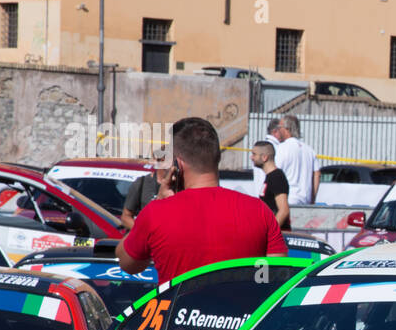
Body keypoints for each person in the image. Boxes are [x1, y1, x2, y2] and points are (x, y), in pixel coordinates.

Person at [117, 117, 288, 282]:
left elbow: (127, 263)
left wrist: (158, 201)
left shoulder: (155, 213)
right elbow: (273, 275)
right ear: (217, 158)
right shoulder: (259, 210)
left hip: (176, 310)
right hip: (246, 310)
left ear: (177, 165)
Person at [273, 114, 321, 205]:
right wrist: (312, 199)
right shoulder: (309, 150)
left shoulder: (280, 149)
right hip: (305, 200)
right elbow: (317, 174)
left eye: (279, 127)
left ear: (287, 128)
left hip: (287, 200)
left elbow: (275, 173)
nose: (278, 130)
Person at [120, 152, 175, 230]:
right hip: (147, 239)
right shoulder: (142, 183)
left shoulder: (177, 186)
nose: (174, 165)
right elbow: (125, 218)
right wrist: (144, 231)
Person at [253, 139, 290, 229]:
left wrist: (271, 233)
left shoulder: (276, 177)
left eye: (254, 154)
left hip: (277, 237)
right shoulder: (270, 177)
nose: (251, 157)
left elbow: (284, 210)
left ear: (264, 157)